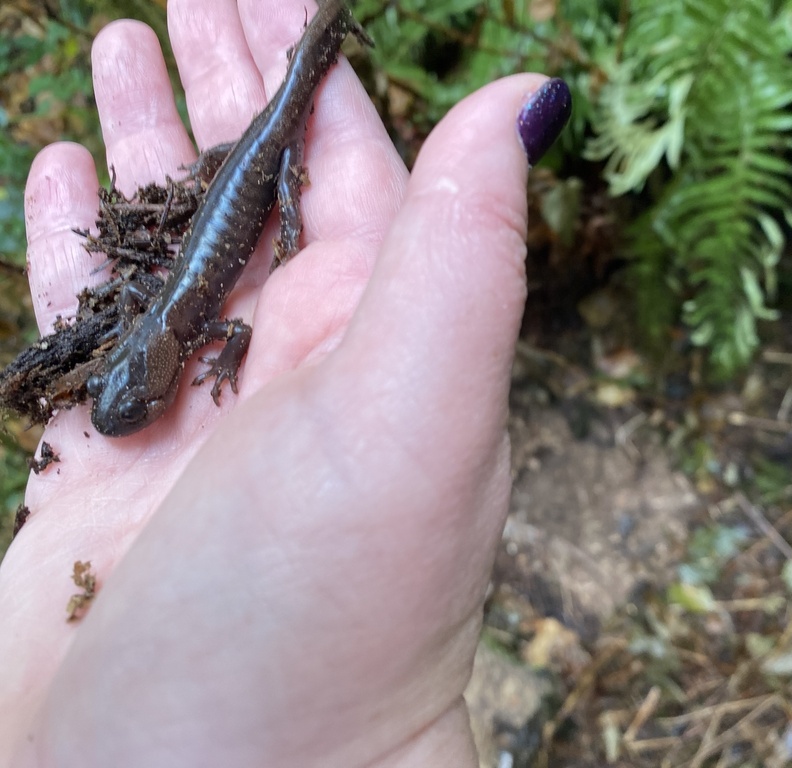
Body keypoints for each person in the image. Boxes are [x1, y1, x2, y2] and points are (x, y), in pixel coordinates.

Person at [0, 0, 571, 764]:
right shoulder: (172, 328)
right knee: (267, 132)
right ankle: (321, 39)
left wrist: (287, 228)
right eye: (127, 405)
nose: (124, 413)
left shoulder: (185, 328)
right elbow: (224, 333)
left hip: (264, 155)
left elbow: (240, 334)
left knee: (282, 152)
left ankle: (328, 29)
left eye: (131, 406)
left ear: (158, 381)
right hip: (249, 153)